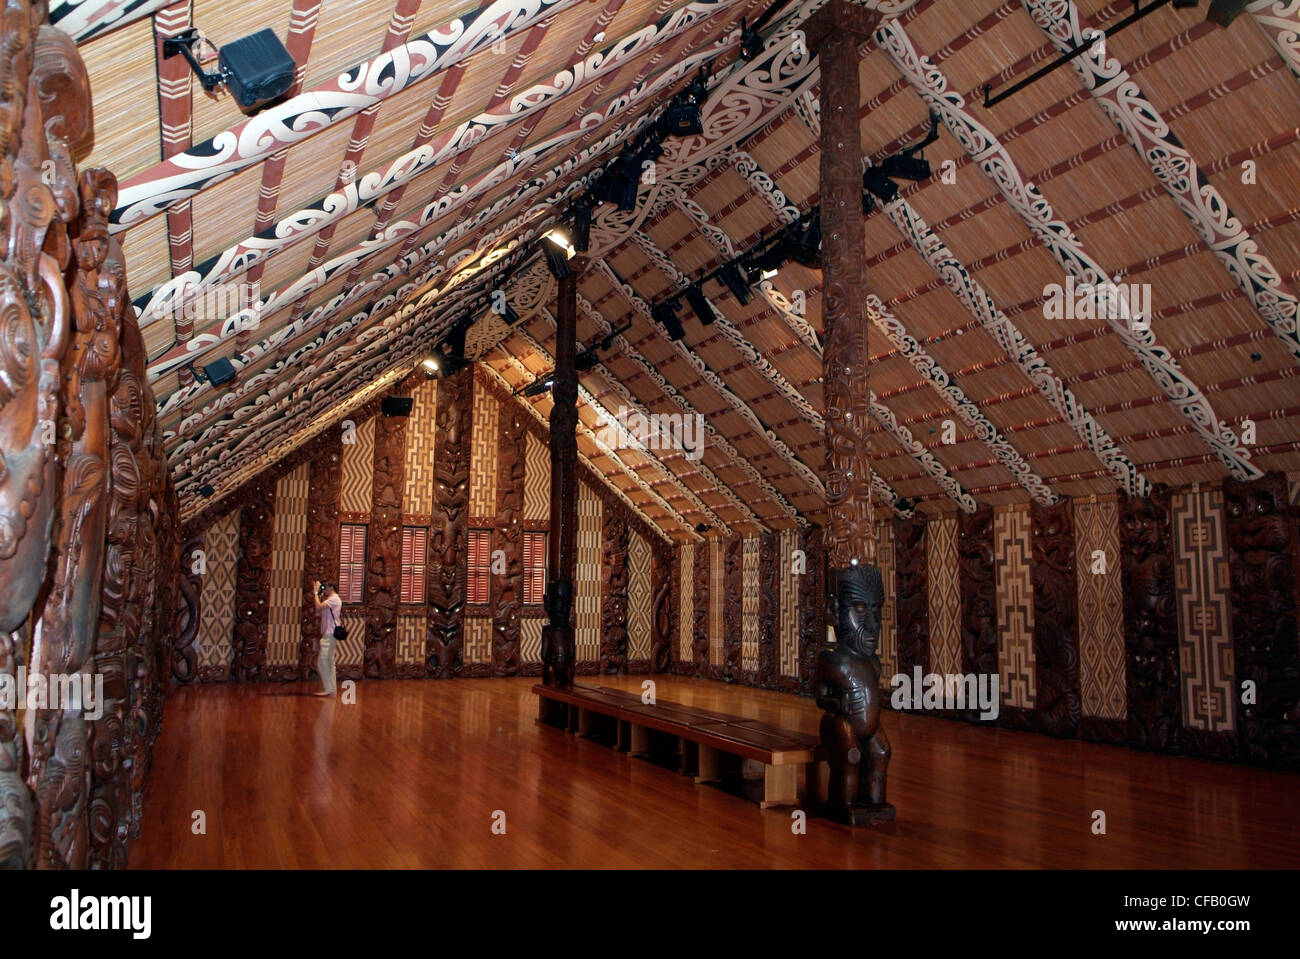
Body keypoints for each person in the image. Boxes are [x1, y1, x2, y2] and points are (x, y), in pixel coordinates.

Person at [311, 581, 342, 698]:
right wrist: (318, 595)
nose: (324, 589)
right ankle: (331, 688)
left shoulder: (334, 599)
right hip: (329, 634)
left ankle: (329, 688)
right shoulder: (329, 600)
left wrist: (315, 592)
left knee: (322, 661)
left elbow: (318, 606)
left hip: (330, 634)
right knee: (329, 661)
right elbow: (318, 610)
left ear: (331, 587)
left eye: (325, 587)